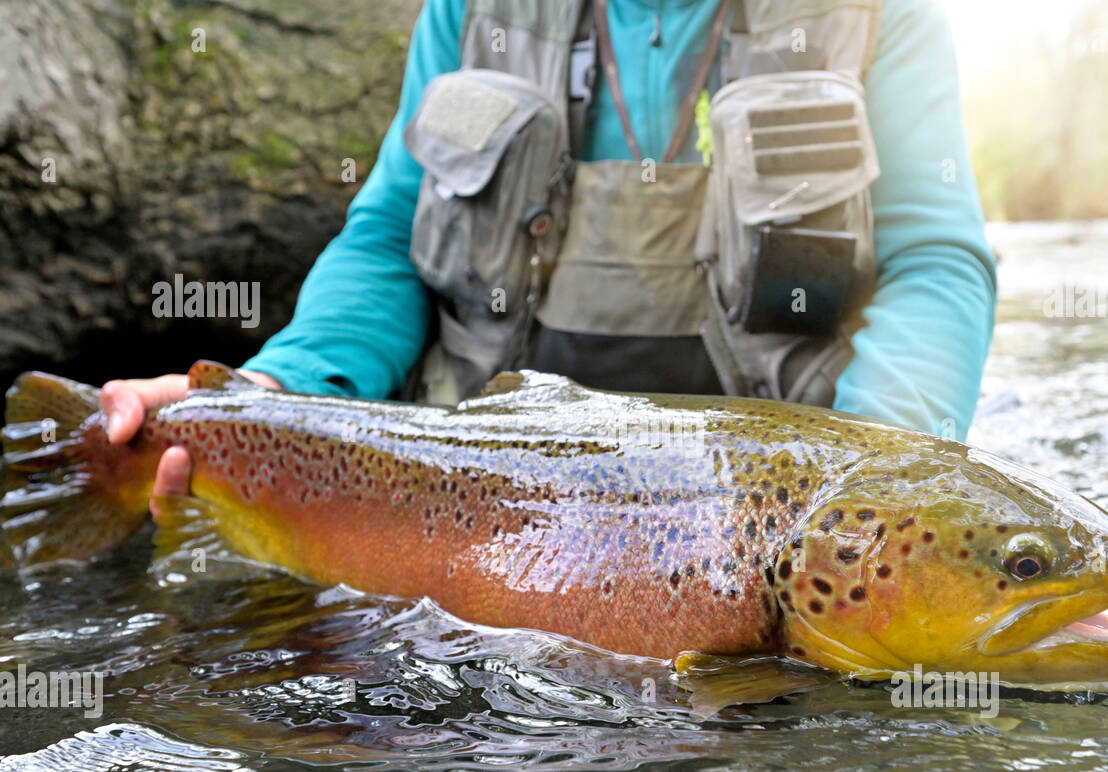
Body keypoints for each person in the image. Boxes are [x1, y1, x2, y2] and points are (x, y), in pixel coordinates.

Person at [102, 0, 996, 514]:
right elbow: (388, 240)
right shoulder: (471, 9)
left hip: (770, 512)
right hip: (488, 497)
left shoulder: (880, 13)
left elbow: (934, 260)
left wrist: (885, 487)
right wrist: (265, 398)